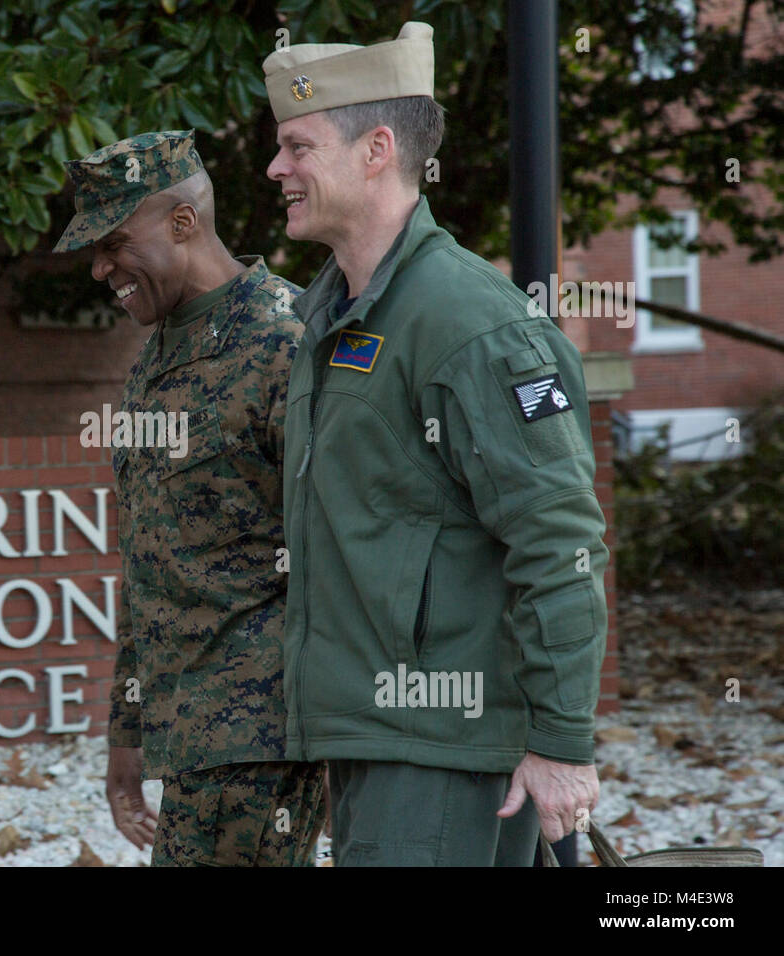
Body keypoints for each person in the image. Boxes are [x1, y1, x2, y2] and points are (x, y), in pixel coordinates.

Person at [260, 22, 608, 866]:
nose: (276, 170)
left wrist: (562, 742)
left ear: (377, 149)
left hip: (445, 751)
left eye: (298, 147)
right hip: (382, 739)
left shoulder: (469, 323)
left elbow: (558, 538)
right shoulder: (333, 312)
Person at [52, 130, 324, 866]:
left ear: (182, 223)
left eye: (112, 243)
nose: (102, 268)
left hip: (263, 734)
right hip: (191, 732)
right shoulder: (158, 356)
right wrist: (128, 731)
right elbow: (150, 563)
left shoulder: (290, 341)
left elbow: (346, 548)